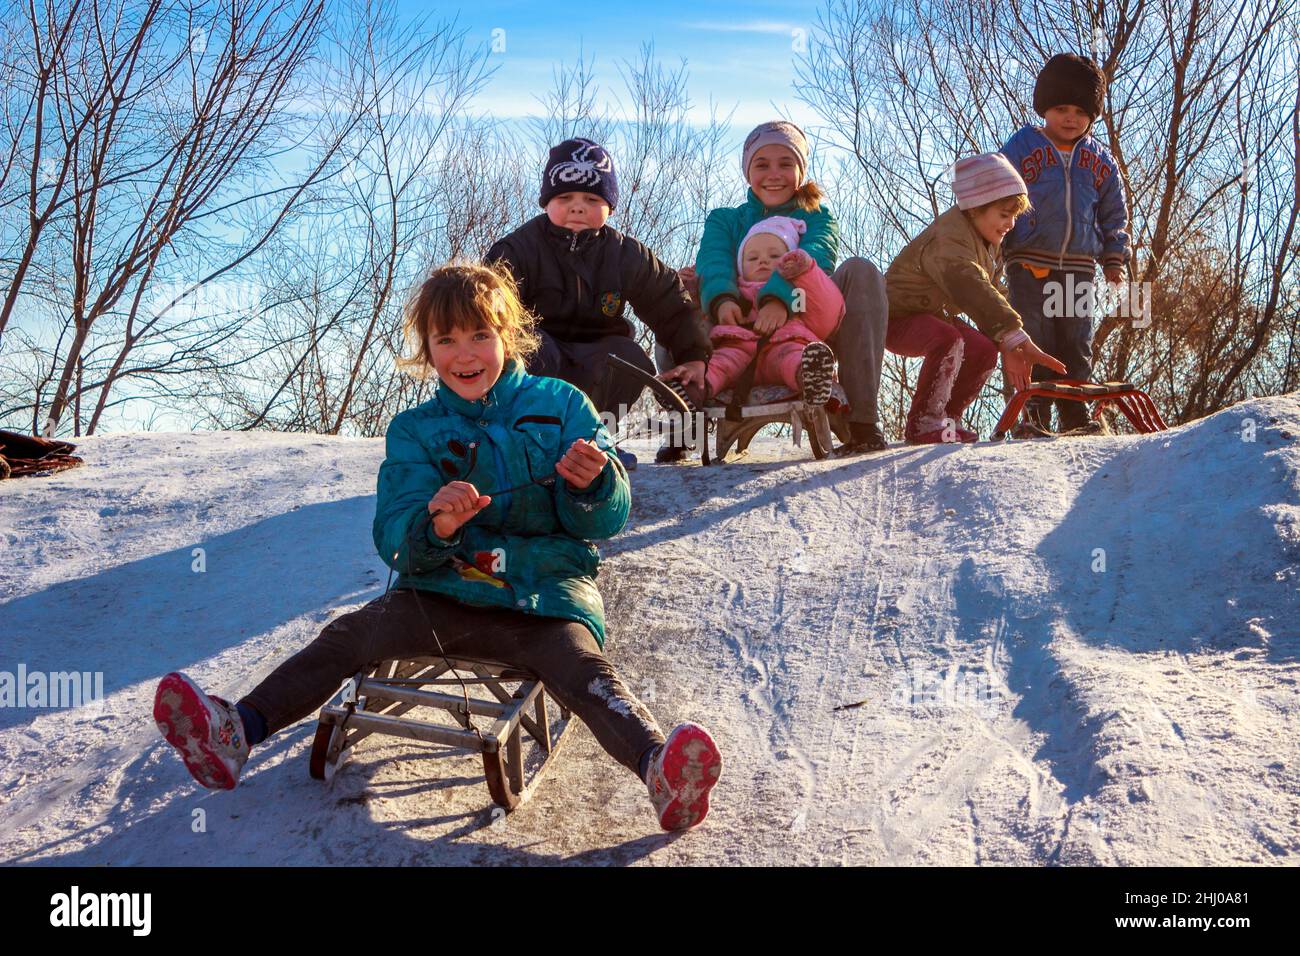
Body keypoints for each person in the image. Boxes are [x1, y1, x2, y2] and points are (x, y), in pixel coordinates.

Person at [152, 262, 722, 832]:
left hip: (544, 598)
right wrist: (436, 527)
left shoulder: (563, 404)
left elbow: (607, 517)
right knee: (349, 635)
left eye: (480, 335)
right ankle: (237, 731)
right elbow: (393, 534)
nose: (464, 353)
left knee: (585, 672)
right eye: (445, 339)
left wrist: (592, 485)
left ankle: (659, 771)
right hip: (441, 592)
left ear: (509, 336)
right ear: (427, 349)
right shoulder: (414, 431)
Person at [484, 137, 711, 469]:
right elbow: (485, 311)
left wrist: (693, 357)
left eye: (591, 198)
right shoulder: (517, 250)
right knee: (525, 349)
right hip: (542, 350)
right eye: (565, 197)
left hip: (598, 353)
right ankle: (532, 442)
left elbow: (670, 303)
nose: (578, 206)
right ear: (546, 202)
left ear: (610, 206)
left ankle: (595, 440)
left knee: (631, 358)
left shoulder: (626, 254)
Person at [683, 120, 889, 455]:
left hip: (802, 325)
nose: (774, 174)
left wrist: (779, 299)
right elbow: (714, 259)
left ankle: (862, 420)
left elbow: (815, 255)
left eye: (786, 164)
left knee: (862, 271)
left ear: (801, 170)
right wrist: (721, 299)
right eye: (762, 164)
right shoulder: (724, 219)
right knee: (677, 289)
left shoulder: (817, 215)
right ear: (748, 172)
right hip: (735, 327)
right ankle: (684, 415)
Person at [885, 153, 1066, 443]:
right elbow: (969, 284)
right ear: (975, 208)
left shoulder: (988, 243)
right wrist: (1010, 332)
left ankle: (948, 420)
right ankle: (924, 422)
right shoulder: (949, 237)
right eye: (1004, 214)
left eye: (1015, 217)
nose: (1010, 224)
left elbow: (993, 291)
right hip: (895, 316)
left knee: (982, 348)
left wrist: (1010, 339)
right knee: (948, 339)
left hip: (931, 315)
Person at [1000, 53, 1132, 436]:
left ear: (1092, 115)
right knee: (1035, 336)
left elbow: (1114, 212)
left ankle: (1076, 413)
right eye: (1061, 108)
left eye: (1079, 110)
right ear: (1045, 107)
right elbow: (998, 193)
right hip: (1027, 259)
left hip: (1079, 264)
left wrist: (1114, 256)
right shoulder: (1022, 147)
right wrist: (995, 242)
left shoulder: (1100, 161)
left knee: (1075, 338)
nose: (1070, 118)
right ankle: (1033, 413)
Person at [676, 215, 841, 408]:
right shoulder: (733, 292)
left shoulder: (797, 292)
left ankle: (811, 377)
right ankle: (691, 391)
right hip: (737, 347)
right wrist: (689, 288)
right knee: (717, 365)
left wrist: (806, 273)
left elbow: (827, 310)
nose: (762, 261)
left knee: (795, 357)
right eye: (752, 258)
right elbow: (701, 306)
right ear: (739, 267)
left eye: (774, 256)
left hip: (784, 345)